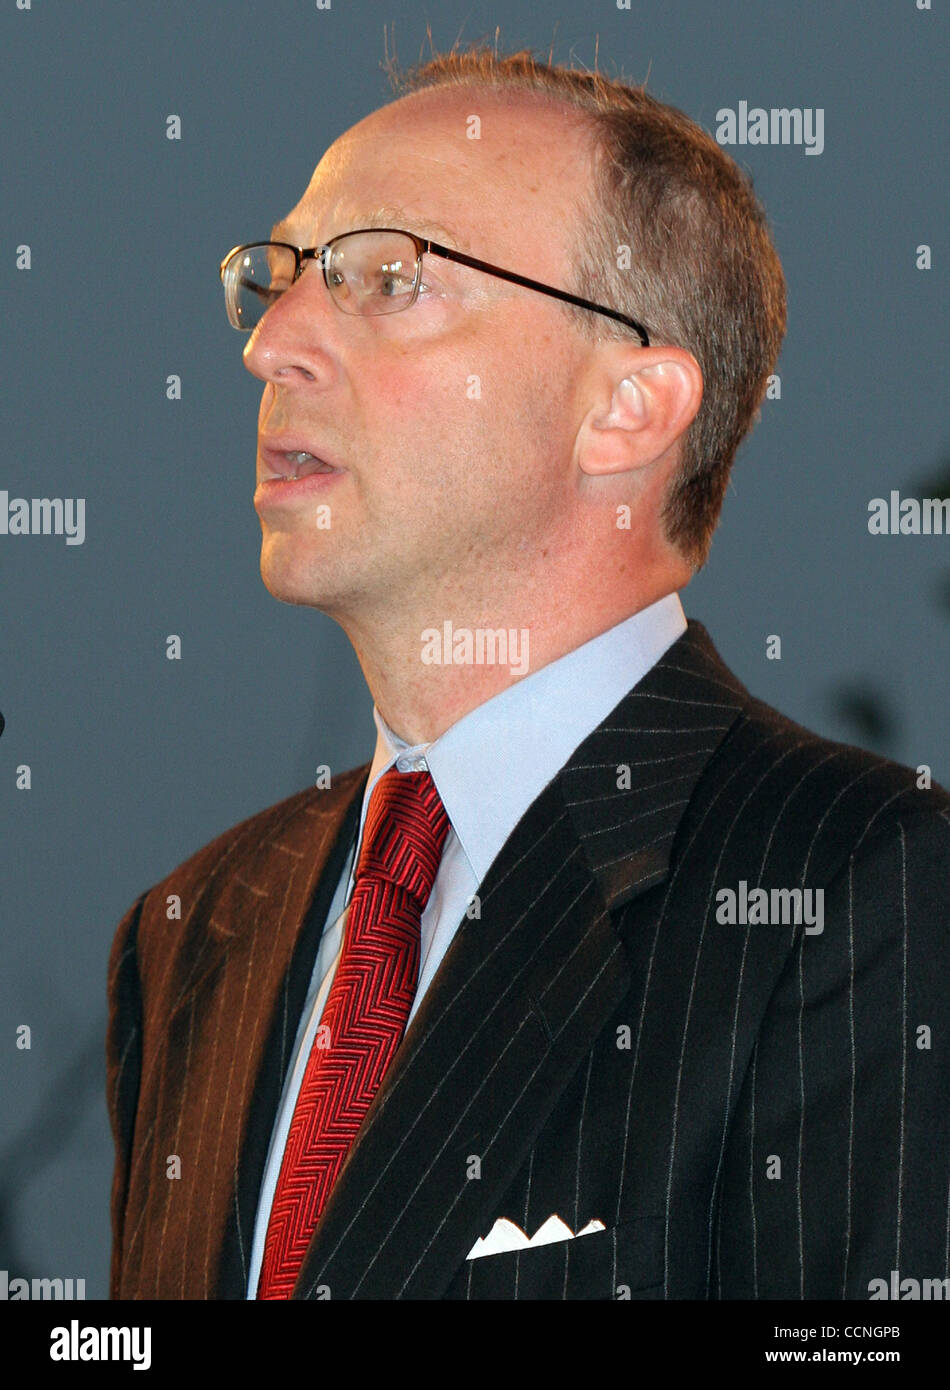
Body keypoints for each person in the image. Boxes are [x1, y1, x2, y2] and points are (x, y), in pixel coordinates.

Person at [106, 46, 950, 1301]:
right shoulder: (197, 928)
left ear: (625, 408)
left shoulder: (859, 885)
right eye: (273, 280)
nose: (270, 343)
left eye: (386, 277)